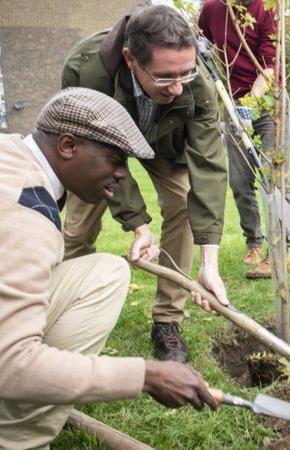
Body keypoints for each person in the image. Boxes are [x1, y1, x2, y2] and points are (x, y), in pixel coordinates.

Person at [0, 88, 220, 448]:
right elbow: (8, 366)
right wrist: (147, 375)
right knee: (104, 278)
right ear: (68, 146)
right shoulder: (21, 216)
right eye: (115, 160)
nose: (122, 175)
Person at [62, 4, 229, 363]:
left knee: (183, 203)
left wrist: (209, 261)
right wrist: (137, 224)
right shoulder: (87, 70)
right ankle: (70, 313)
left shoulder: (195, 81)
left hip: (164, 143)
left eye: (185, 73)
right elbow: (93, 157)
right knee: (76, 230)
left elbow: (209, 164)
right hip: (100, 147)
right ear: (130, 59)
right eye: (166, 77)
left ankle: (167, 319)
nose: (178, 86)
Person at [198, 0, 290, 279]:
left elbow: (269, 64)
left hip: (268, 101)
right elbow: (202, 42)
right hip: (232, 103)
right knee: (240, 181)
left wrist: (250, 104)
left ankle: (280, 252)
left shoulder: (268, 8)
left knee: (273, 177)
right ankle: (253, 242)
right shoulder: (211, 8)